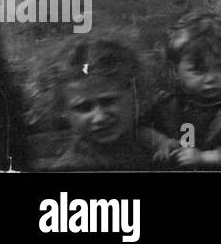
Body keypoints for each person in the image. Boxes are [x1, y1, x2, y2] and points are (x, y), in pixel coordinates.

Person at [140, 11, 221, 169]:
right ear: (176, 70)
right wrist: (161, 142)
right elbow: (142, 128)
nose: (211, 78)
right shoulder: (167, 105)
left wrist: (205, 157)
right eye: (199, 69)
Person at [31, 36, 152, 171]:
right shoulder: (73, 167)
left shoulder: (150, 142)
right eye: (83, 107)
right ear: (63, 111)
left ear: (135, 94)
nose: (99, 117)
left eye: (108, 101)